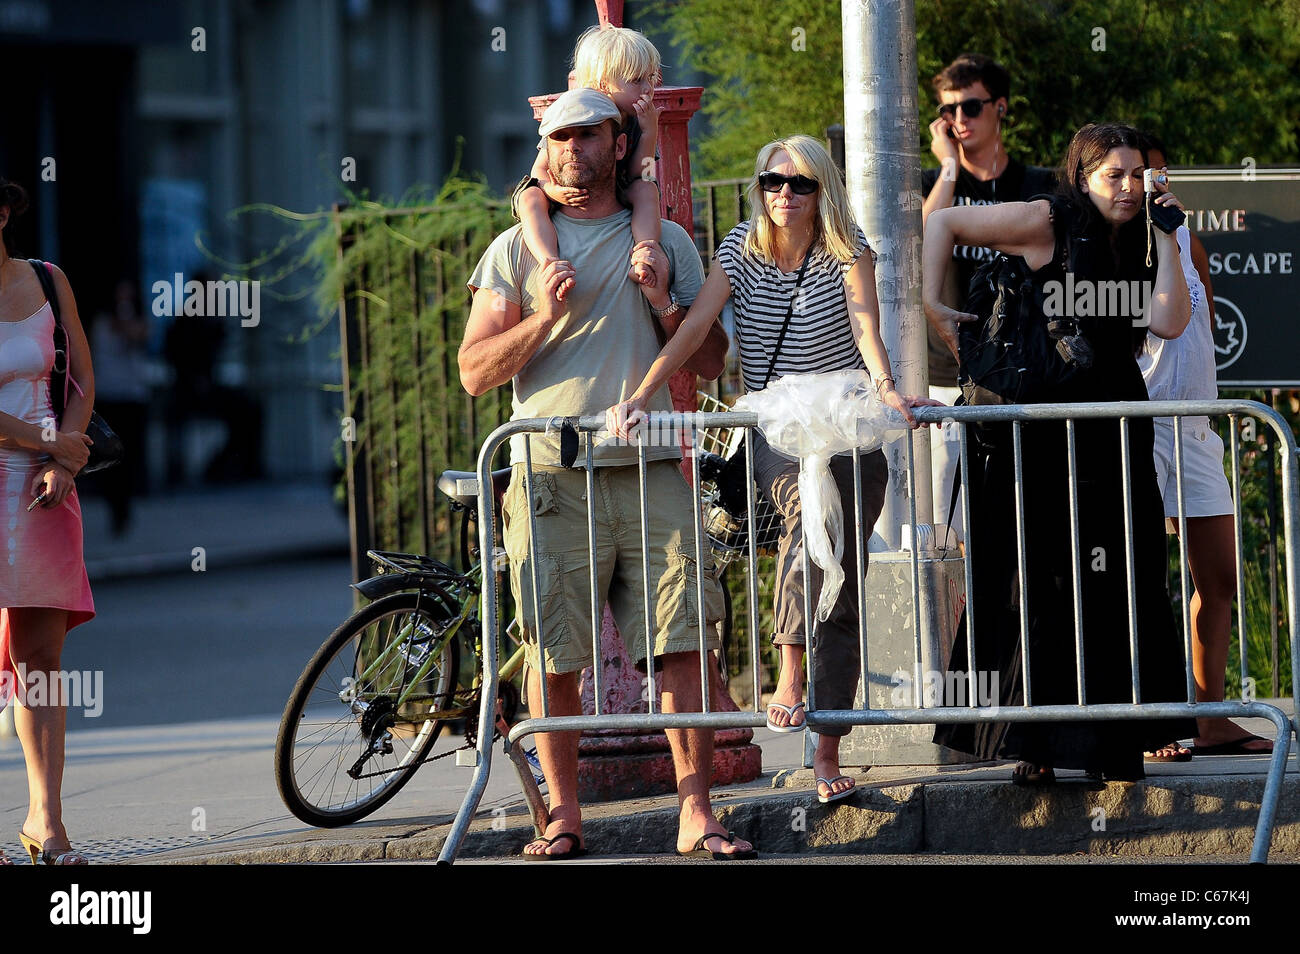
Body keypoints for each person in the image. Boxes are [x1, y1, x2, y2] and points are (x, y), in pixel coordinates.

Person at [458, 88, 752, 860]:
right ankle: (563, 816)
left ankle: (697, 815)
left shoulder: (667, 241)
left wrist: (659, 298)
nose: (571, 151)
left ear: (618, 146)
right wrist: (542, 319)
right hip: (552, 476)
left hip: (652, 468)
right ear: (544, 149)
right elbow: (473, 372)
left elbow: (715, 359)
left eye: (588, 136)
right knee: (556, 654)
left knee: (682, 645)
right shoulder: (515, 250)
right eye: (559, 138)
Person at [608, 134, 937, 804]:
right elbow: (697, 327)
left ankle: (827, 751)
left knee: (842, 582)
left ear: (822, 191)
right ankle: (789, 671)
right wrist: (641, 393)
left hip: (849, 420)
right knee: (803, 524)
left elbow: (867, 324)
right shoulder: (740, 249)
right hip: (781, 421)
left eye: (800, 184)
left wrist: (889, 387)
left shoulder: (849, 248)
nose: (784, 194)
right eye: (772, 182)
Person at [923, 123, 1196, 783]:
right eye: (1114, 175)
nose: (1129, 188)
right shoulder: (1047, 217)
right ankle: (1038, 746)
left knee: (1118, 578)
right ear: (1082, 176)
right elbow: (944, 224)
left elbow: (1167, 321)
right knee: (1040, 583)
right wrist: (934, 303)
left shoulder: (1141, 234)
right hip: (1044, 430)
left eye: (1138, 174)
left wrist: (1167, 237)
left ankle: (1109, 744)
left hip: (1111, 424)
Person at [1137, 134, 1272, 762]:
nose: (1151, 184)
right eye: (1136, 175)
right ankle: (1148, 720)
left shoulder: (1186, 236)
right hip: (1134, 425)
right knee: (1134, 577)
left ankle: (1208, 716)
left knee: (1217, 577)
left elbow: (1203, 322)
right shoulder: (1109, 245)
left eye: (1159, 172)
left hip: (1195, 428)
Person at [922, 53, 1056, 543]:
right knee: (947, 527)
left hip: (1026, 373)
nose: (959, 120)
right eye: (948, 111)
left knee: (1022, 521)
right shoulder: (937, 183)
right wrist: (950, 167)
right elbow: (919, 236)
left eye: (971, 108)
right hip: (949, 373)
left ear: (1000, 107)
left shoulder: (1037, 183)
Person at [0, 179, 95, 864]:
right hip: (30, 461)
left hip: (41, 492)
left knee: (42, 664)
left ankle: (46, 823)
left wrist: (64, 459)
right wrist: (49, 445)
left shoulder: (48, 279)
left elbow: (82, 379)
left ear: (2, 213)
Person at [514, 24, 663, 300]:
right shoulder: (573, 114)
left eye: (650, 78)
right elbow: (539, 169)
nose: (648, 89)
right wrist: (551, 190)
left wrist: (649, 132)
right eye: (636, 80)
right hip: (565, 189)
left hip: (616, 190)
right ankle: (549, 261)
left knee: (647, 188)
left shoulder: (637, 122)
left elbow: (641, 173)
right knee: (529, 197)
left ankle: (645, 251)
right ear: (603, 84)